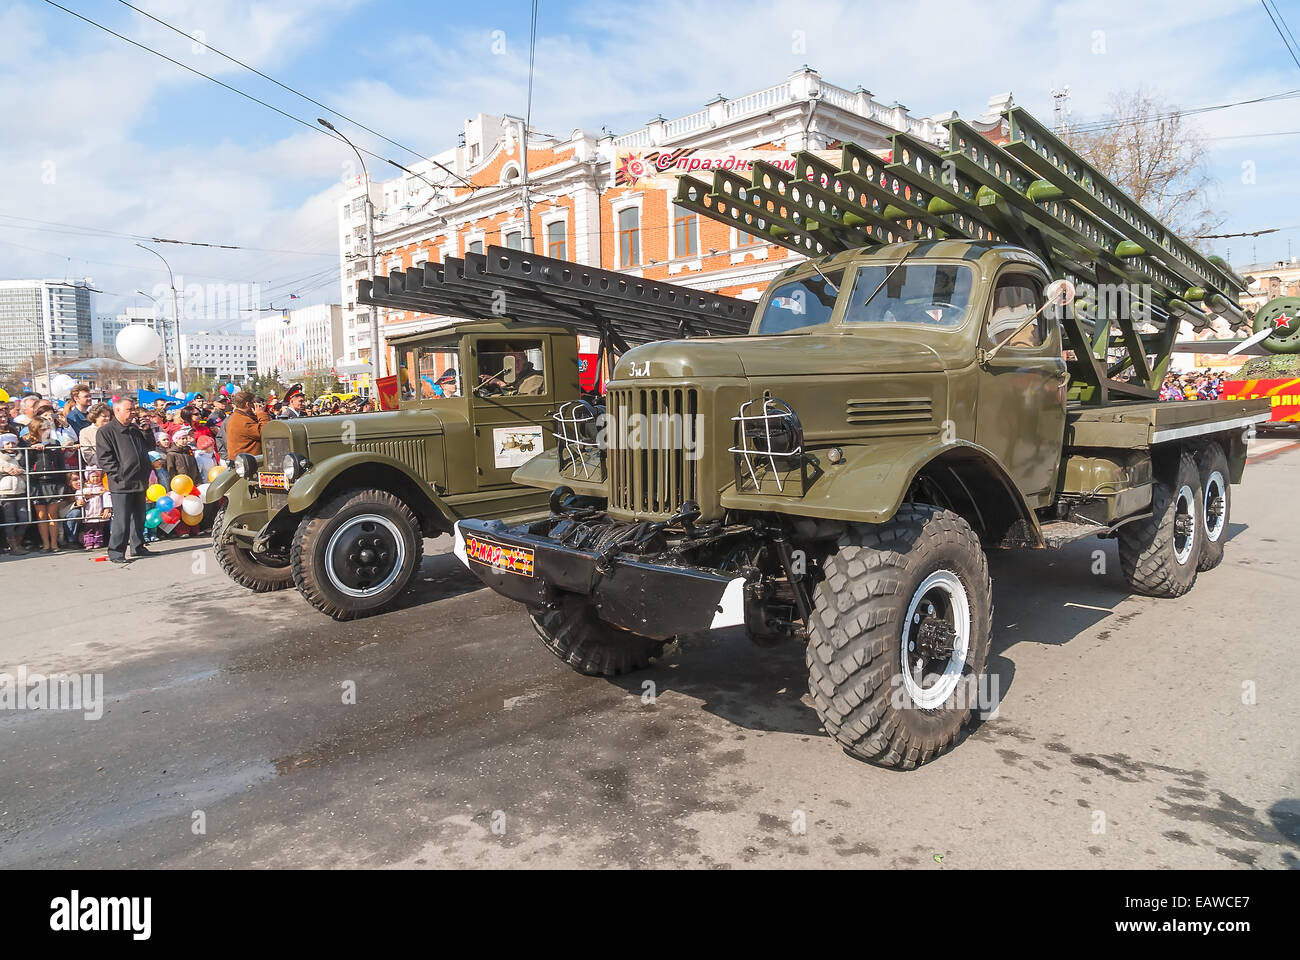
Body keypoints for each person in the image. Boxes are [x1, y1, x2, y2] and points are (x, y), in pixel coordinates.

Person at [95, 395, 156, 564]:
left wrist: (146, 430)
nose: (133, 413)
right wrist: (119, 475)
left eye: (133, 409)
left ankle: (138, 546)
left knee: (139, 517)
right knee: (121, 519)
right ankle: (116, 552)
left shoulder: (134, 429)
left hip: (139, 479)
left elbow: (150, 447)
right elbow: (105, 458)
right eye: (129, 410)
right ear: (117, 410)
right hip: (121, 482)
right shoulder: (106, 431)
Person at [0, 432, 28, 554]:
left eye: (13, 443)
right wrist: (4, 469)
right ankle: (13, 545)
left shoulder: (21, 455)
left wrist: (20, 471)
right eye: (7, 443)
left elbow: (28, 471)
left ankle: (18, 541)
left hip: (20, 490)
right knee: (10, 520)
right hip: (5, 492)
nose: (11, 445)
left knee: (25, 518)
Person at [226, 391, 271, 456]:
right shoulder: (242, 421)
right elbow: (264, 432)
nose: (255, 405)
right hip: (247, 462)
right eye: (253, 403)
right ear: (247, 404)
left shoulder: (238, 417)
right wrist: (261, 413)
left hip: (244, 459)